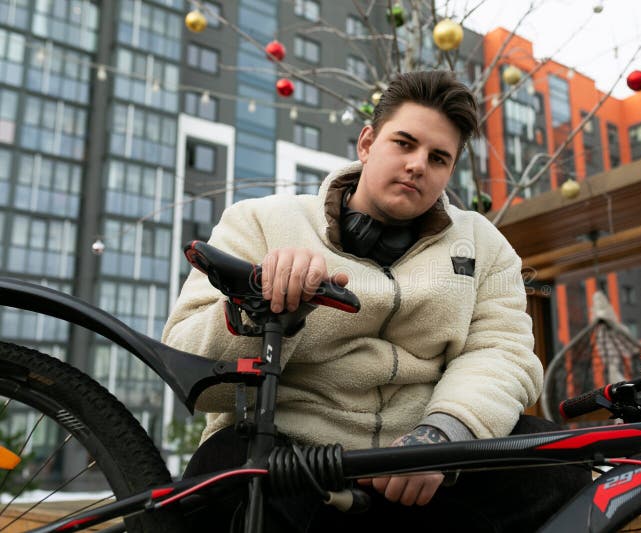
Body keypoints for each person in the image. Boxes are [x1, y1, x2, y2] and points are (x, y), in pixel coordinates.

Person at [163, 70, 589, 532]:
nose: (418, 165)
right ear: (367, 143)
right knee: (225, 470)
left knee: (557, 459)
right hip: (298, 466)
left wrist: (441, 438)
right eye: (404, 144)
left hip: (428, 473)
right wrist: (265, 307)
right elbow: (198, 378)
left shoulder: (484, 245)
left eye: (438, 158)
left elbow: (501, 353)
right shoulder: (260, 222)